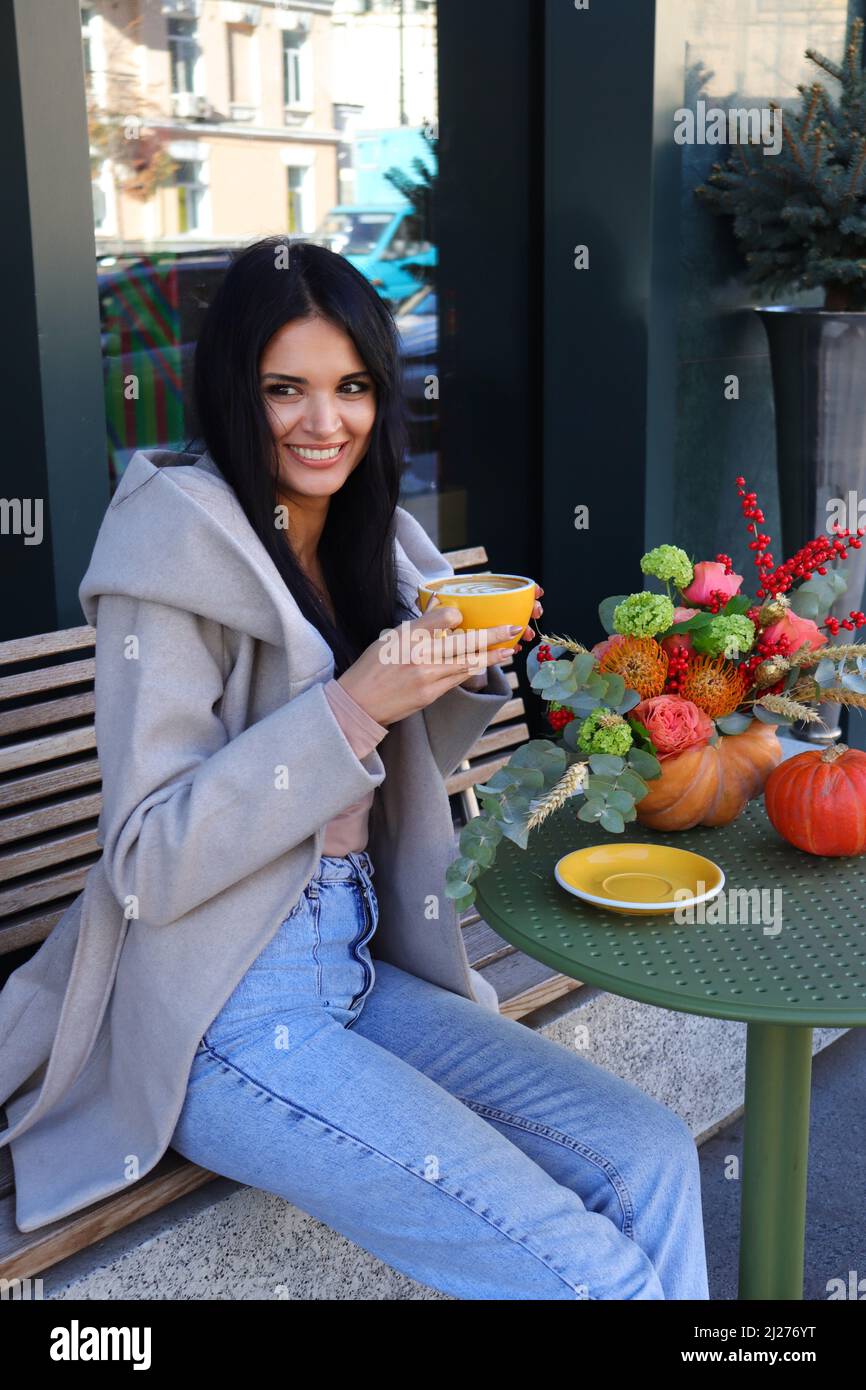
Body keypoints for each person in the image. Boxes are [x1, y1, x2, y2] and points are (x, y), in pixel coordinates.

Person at [0, 238, 709, 1300]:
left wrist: (460, 682)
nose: (322, 423)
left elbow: (380, 784)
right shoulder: (170, 556)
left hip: (364, 967)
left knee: (646, 1153)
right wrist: (352, 704)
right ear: (232, 390)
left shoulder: (378, 545)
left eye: (351, 388)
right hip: (223, 1010)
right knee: (590, 1280)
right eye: (283, 388)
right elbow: (148, 859)